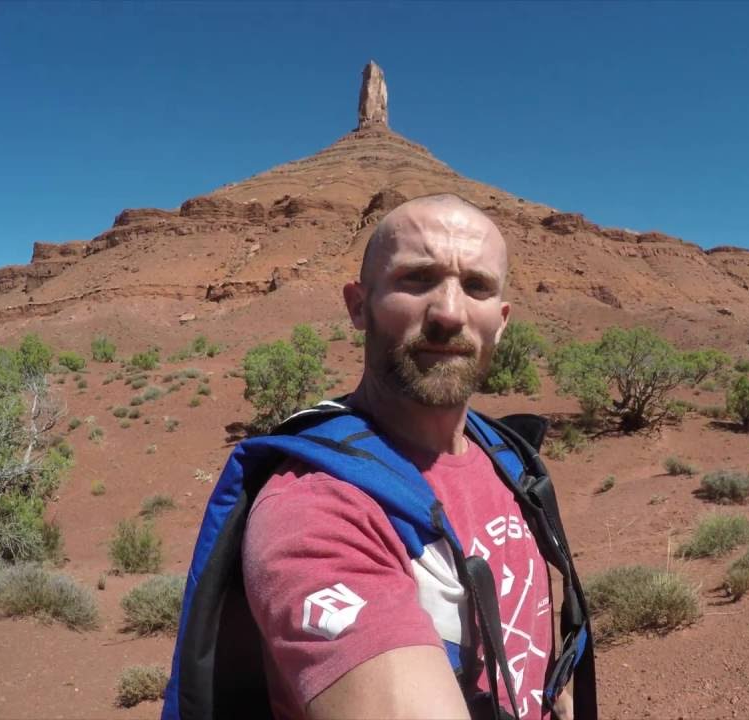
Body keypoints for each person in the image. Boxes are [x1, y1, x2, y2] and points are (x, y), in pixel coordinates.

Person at [240, 194, 578, 720]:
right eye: (417, 279)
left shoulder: (507, 459)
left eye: (477, 287)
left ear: (502, 320)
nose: (448, 312)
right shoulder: (317, 511)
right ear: (358, 305)